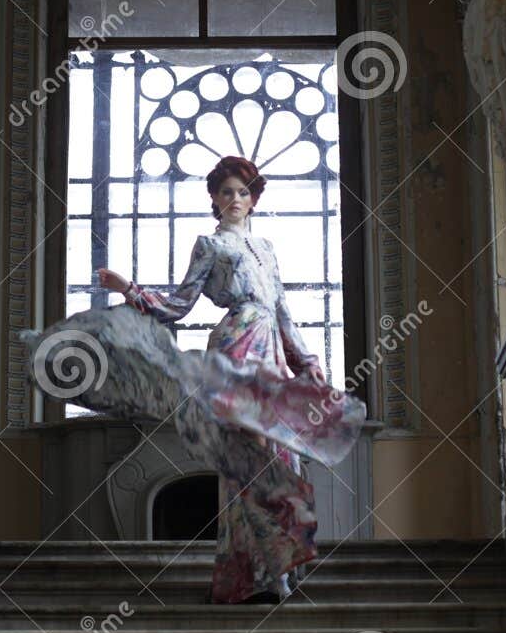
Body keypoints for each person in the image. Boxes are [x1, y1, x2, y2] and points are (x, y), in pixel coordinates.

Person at [87, 156, 365, 604]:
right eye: (227, 192)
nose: (235, 199)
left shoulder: (267, 249)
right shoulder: (209, 246)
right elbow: (179, 304)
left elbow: (282, 311)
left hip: (270, 353)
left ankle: (272, 567)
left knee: (281, 461)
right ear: (215, 200)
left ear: (253, 199)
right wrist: (130, 290)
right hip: (236, 348)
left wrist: (307, 362)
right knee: (250, 461)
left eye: (243, 192)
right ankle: (265, 574)